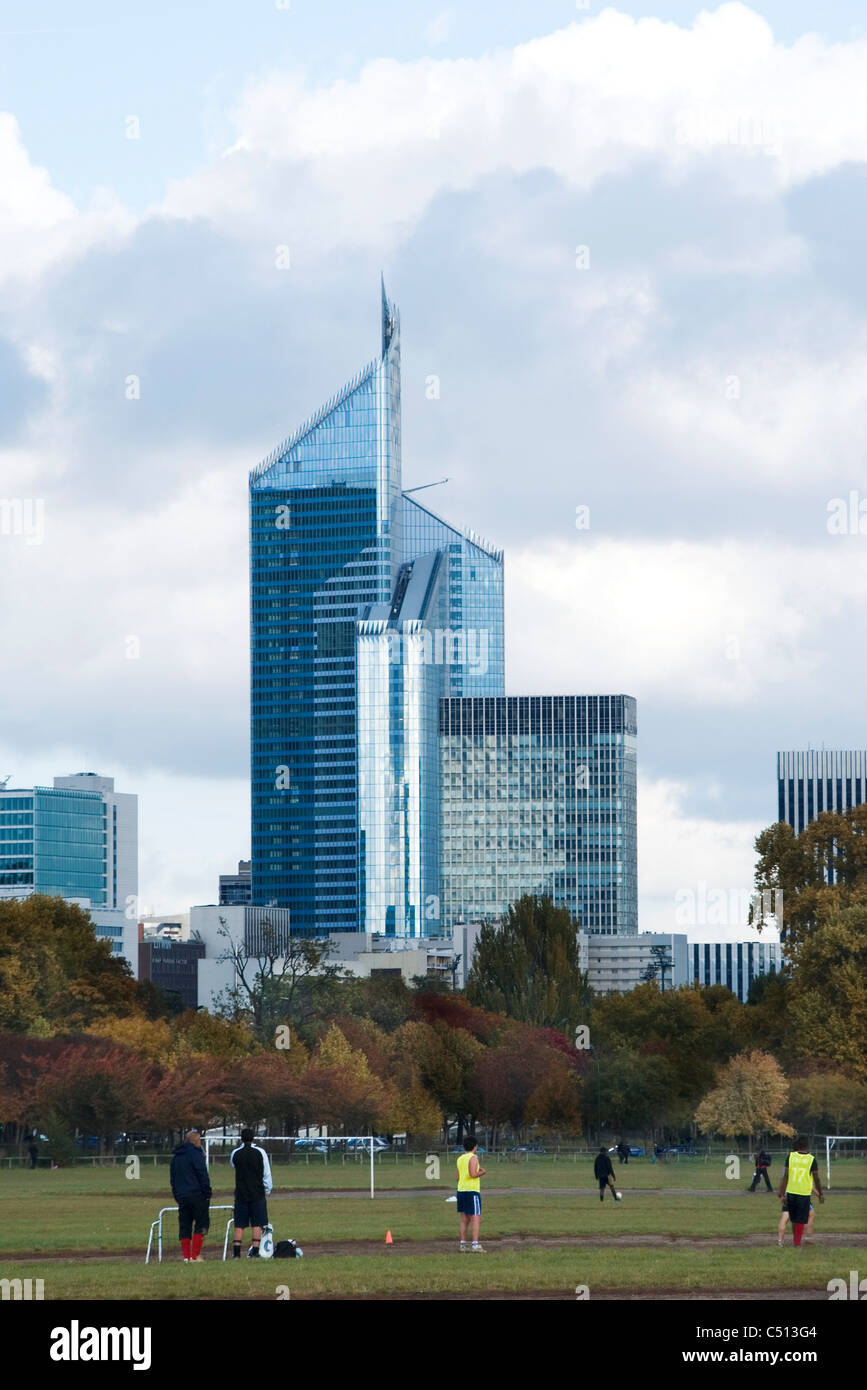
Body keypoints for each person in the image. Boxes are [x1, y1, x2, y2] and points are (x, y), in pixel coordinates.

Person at [170, 1128, 212, 1262]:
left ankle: (187, 1257)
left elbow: (173, 1179)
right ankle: (195, 1256)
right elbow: (202, 1174)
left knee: (184, 1226)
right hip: (197, 1195)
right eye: (199, 1139)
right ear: (195, 1141)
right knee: (201, 1224)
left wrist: (177, 1195)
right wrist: (207, 1192)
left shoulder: (176, 1157)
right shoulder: (196, 1154)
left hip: (182, 1196)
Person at [230, 1128, 273, 1258]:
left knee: (239, 1224)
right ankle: (255, 1252)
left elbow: (233, 1165)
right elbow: (266, 1172)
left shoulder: (235, 1153)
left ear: (241, 1138)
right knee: (257, 1223)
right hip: (257, 1192)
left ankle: (236, 1254)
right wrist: (267, 1189)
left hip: (241, 1193)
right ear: (253, 1137)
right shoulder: (260, 1152)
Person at [777, 1136, 823, 1248]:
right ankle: (797, 1244)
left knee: (794, 1219)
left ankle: (795, 1241)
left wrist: (781, 1193)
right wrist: (820, 1193)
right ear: (806, 1146)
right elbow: (816, 1179)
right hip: (803, 1193)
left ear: (797, 1146)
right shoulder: (811, 1159)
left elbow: (785, 1177)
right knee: (801, 1220)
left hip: (791, 1192)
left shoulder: (790, 1156)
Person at [456, 1137, 486, 1252]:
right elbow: (473, 1174)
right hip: (471, 1191)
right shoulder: (473, 1158)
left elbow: (457, 1177)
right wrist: (482, 1172)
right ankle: (475, 1245)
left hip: (461, 1190)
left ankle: (462, 1244)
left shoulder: (460, 1158)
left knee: (464, 1219)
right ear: (475, 1146)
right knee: (476, 1217)